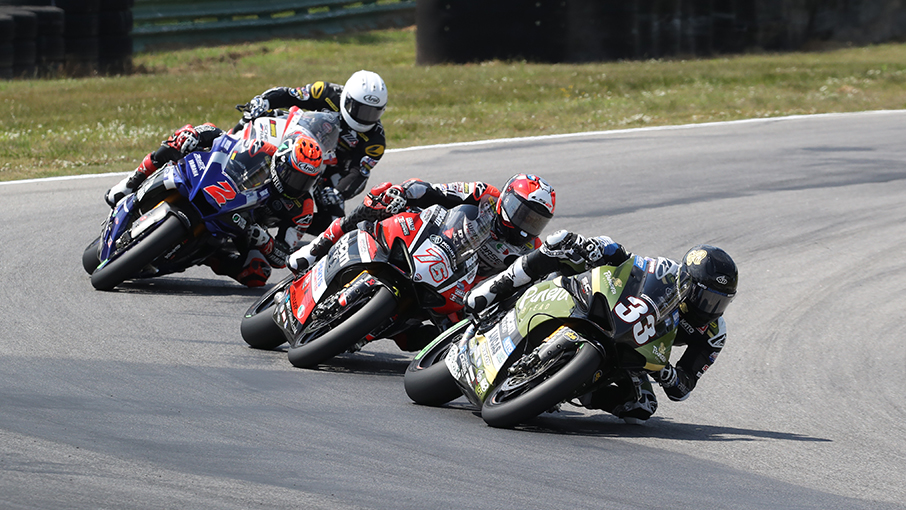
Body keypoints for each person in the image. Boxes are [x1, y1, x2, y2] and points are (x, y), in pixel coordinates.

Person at [464, 232, 738, 424]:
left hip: (633, 354)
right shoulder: (667, 272)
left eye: (719, 302)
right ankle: (496, 288)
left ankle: (571, 388)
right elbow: (628, 259)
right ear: (688, 283)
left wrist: (667, 374)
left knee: (641, 409)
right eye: (707, 297)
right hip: (603, 308)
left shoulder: (714, 334)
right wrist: (600, 248)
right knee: (560, 242)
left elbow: (684, 388)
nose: (710, 308)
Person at [286, 173, 557, 350]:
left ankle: (386, 329)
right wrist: (406, 192)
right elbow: (436, 191)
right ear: (507, 200)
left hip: (460, 290)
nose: (526, 225)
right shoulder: (483, 194)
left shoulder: (531, 250)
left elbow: (520, 290)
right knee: (375, 207)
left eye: (535, 220)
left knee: (427, 340)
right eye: (522, 213)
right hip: (431, 245)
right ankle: (315, 248)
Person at [106, 121, 327, 288]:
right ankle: (132, 182)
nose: (296, 184)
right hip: (224, 193)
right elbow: (226, 140)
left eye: (305, 180)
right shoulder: (262, 150)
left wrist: (265, 241)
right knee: (181, 139)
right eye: (293, 175)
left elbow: (284, 256)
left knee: (257, 273)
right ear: (281, 161)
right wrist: (194, 135)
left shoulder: (302, 207)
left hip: (245, 229)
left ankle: (207, 255)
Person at [234, 70, 389, 234]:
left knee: (333, 223)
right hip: (298, 139)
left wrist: (339, 192)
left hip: (330, 169)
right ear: (347, 99)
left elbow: (359, 173)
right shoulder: (325, 92)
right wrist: (264, 101)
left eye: (373, 112)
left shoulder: (375, 141)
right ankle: (224, 142)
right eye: (360, 109)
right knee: (251, 118)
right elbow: (289, 95)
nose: (365, 118)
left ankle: (285, 223)